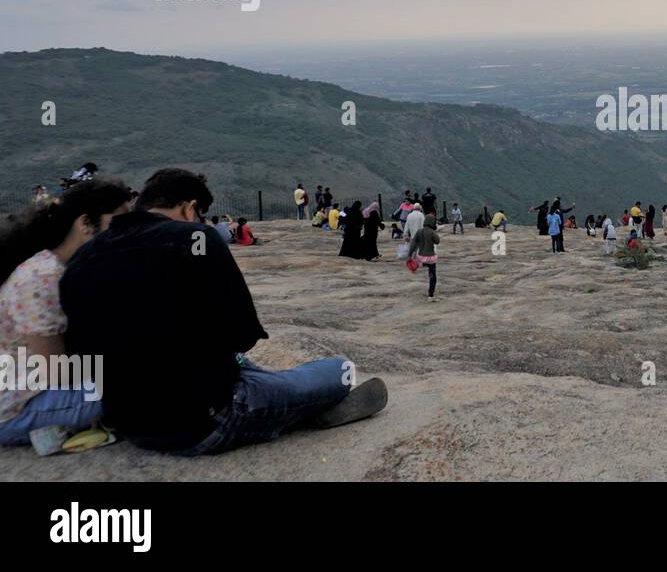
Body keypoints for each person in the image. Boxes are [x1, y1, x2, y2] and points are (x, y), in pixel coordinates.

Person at [59, 168, 387, 455]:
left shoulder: (80, 260)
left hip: (130, 425)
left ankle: (287, 397)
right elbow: (242, 335)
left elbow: (82, 355)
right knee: (339, 371)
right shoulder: (194, 238)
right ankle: (304, 410)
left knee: (251, 372)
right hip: (207, 421)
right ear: (190, 209)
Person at [0, 179, 134, 446]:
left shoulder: (62, 267)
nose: (129, 233)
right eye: (120, 224)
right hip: (17, 405)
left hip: (34, 388)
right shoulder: (42, 279)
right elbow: (54, 372)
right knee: (153, 387)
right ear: (85, 224)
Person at [405, 213, 441, 301]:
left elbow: (413, 244)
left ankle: (418, 266)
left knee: (426, 267)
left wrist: (409, 255)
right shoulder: (432, 232)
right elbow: (437, 241)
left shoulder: (419, 231)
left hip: (420, 256)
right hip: (430, 257)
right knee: (433, 275)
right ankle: (431, 295)